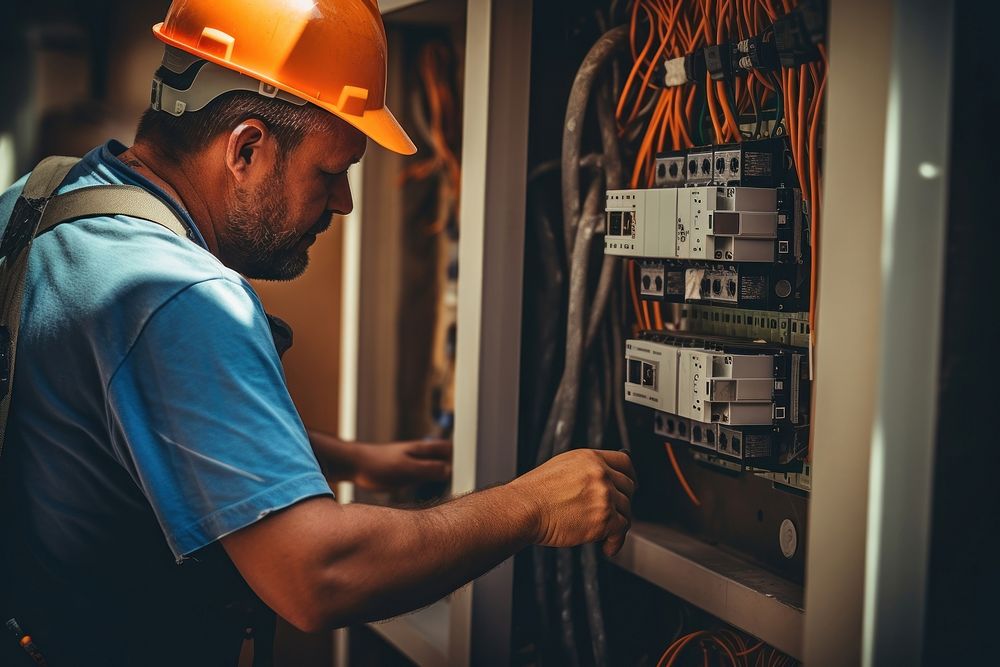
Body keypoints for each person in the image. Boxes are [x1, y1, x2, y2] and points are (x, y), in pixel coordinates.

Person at [0, 0, 635, 665]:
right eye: (330, 173)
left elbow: (116, 411)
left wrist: (346, 458)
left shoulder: (38, 200)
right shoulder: (182, 296)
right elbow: (317, 575)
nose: (343, 202)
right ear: (246, 147)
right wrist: (532, 505)